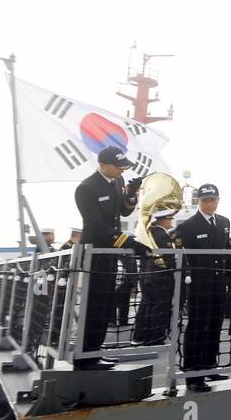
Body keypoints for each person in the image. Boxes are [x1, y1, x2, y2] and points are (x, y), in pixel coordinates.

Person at [72, 147, 146, 370]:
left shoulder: (116, 181)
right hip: (94, 253)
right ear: (103, 165)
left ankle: (95, 352)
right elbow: (96, 225)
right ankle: (84, 358)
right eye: (118, 166)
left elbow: (124, 212)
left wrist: (131, 193)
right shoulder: (86, 188)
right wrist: (128, 242)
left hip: (109, 252)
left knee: (104, 305)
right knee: (93, 306)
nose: (122, 170)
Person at [176, 184, 231, 391]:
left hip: (218, 283)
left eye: (213, 200)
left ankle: (209, 366)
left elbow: (227, 250)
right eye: (205, 200)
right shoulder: (188, 226)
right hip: (200, 283)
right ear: (198, 202)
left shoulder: (224, 222)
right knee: (198, 327)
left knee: (215, 325)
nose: (210, 204)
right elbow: (182, 254)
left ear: (218, 200)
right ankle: (193, 374)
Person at [132, 209, 178, 346]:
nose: (171, 222)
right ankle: (155, 337)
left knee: (146, 305)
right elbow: (168, 257)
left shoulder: (148, 233)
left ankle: (140, 336)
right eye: (170, 219)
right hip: (160, 276)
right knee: (160, 307)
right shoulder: (161, 235)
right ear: (163, 220)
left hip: (147, 276)